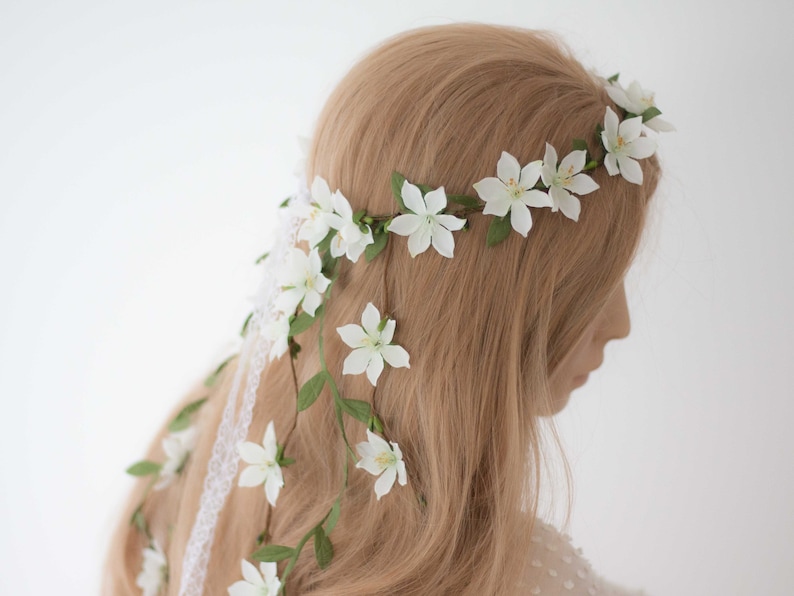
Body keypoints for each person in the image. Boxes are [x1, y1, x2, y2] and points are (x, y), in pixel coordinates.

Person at [105, 23, 667, 595]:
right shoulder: (510, 579)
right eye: (583, 287)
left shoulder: (199, 460)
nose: (619, 325)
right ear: (470, 310)